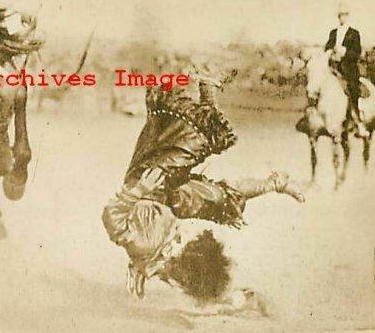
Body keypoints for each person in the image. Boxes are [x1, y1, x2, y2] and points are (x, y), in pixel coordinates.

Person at [102, 68, 305, 303]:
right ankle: (276, 183)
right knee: (221, 199)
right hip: (170, 201)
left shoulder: (143, 246)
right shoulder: (167, 263)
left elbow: (111, 216)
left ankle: (206, 86)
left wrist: (138, 191)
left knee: (198, 138)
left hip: (146, 183)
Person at [324, 3, 368, 137]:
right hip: (334, 68)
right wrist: (331, 52)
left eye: (344, 15)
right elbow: (327, 47)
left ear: (347, 16)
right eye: (340, 15)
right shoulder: (333, 32)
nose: (341, 18)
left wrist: (344, 52)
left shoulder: (354, 33)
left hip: (349, 70)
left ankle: (359, 122)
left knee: (353, 89)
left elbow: (357, 53)